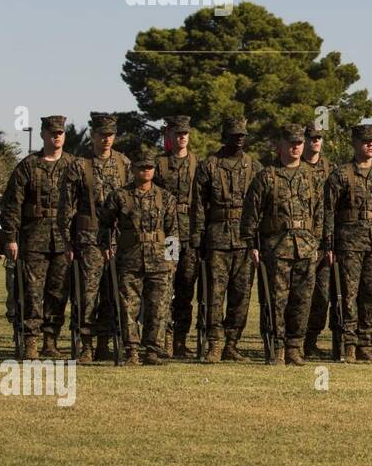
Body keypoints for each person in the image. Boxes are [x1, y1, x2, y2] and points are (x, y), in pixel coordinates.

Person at [240, 125, 325, 365]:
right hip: (275, 248)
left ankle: (294, 347)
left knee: (302, 299)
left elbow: (320, 211)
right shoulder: (267, 176)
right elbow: (251, 213)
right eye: (292, 143)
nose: (296, 147)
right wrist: (252, 244)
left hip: (306, 247)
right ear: (281, 145)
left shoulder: (312, 176)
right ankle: (275, 347)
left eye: (299, 143)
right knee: (275, 300)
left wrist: (316, 240)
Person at [0, 115, 75, 360]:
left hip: (63, 240)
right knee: (31, 292)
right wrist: (10, 237)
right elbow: (12, 204)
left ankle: (50, 342)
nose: (57, 136)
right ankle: (29, 342)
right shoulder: (28, 166)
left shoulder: (73, 166)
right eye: (52, 132)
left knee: (57, 292)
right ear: (43, 135)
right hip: (33, 239)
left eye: (60, 132)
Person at [98, 146, 177, 365]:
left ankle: (153, 349)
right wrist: (106, 246)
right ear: (133, 169)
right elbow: (105, 223)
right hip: (129, 259)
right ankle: (131, 349)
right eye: (142, 168)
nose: (146, 172)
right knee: (128, 307)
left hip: (160, 262)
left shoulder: (165, 198)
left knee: (158, 307)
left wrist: (173, 260)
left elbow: (173, 232)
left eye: (150, 167)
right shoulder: (120, 196)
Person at [61, 112, 130, 362]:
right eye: (102, 135)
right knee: (87, 294)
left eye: (110, 135)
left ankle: (105, 342)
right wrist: (67, 242)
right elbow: (66, 208)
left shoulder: (124, 164)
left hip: (117, 241)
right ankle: (86, 345)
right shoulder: (79, 165)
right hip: (88, 239)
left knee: (113, 293)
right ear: (93, 135)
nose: (106, 139)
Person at [190, 117, 259, 363]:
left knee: (241, 295)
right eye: (234, 135)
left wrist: (256, 238)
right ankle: (215, 344)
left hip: (244, 239)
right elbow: (198, 205)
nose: (239, 139)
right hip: (216, 237)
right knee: (214, 295)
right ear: (225, 136)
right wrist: (197, 238)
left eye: (242, 135)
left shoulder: (254, 166)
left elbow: (261, 204)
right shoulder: (209, 165)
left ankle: (232, 343)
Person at [323, 124, 372, 361]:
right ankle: (348, 344)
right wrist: (329, 244)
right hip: (348, 243)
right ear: (354, 143)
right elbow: (328, 212)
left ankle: (365, 344)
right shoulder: (340, 175)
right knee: (347, 295)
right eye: (365, 141)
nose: (370, 144)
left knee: (371, 295)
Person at [154, 115, 197, 359]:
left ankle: (181, 340)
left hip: (189, 233)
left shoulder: (196, 164)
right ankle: (166, 340)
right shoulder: (159, 164)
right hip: (168, 234)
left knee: (186, 287)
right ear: (170, 136)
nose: (181, 137)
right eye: (177, 134)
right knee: (166, 287)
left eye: (185, 134)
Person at [301, 122, 334, 359]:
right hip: (299, 242)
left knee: (321, 296)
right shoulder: (293, 167)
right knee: (298, 294)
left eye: (319, 138)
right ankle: (293, 342)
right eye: (312, 138)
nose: (316, 142)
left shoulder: (329, 169)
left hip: (323, 242)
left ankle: (311, 341)